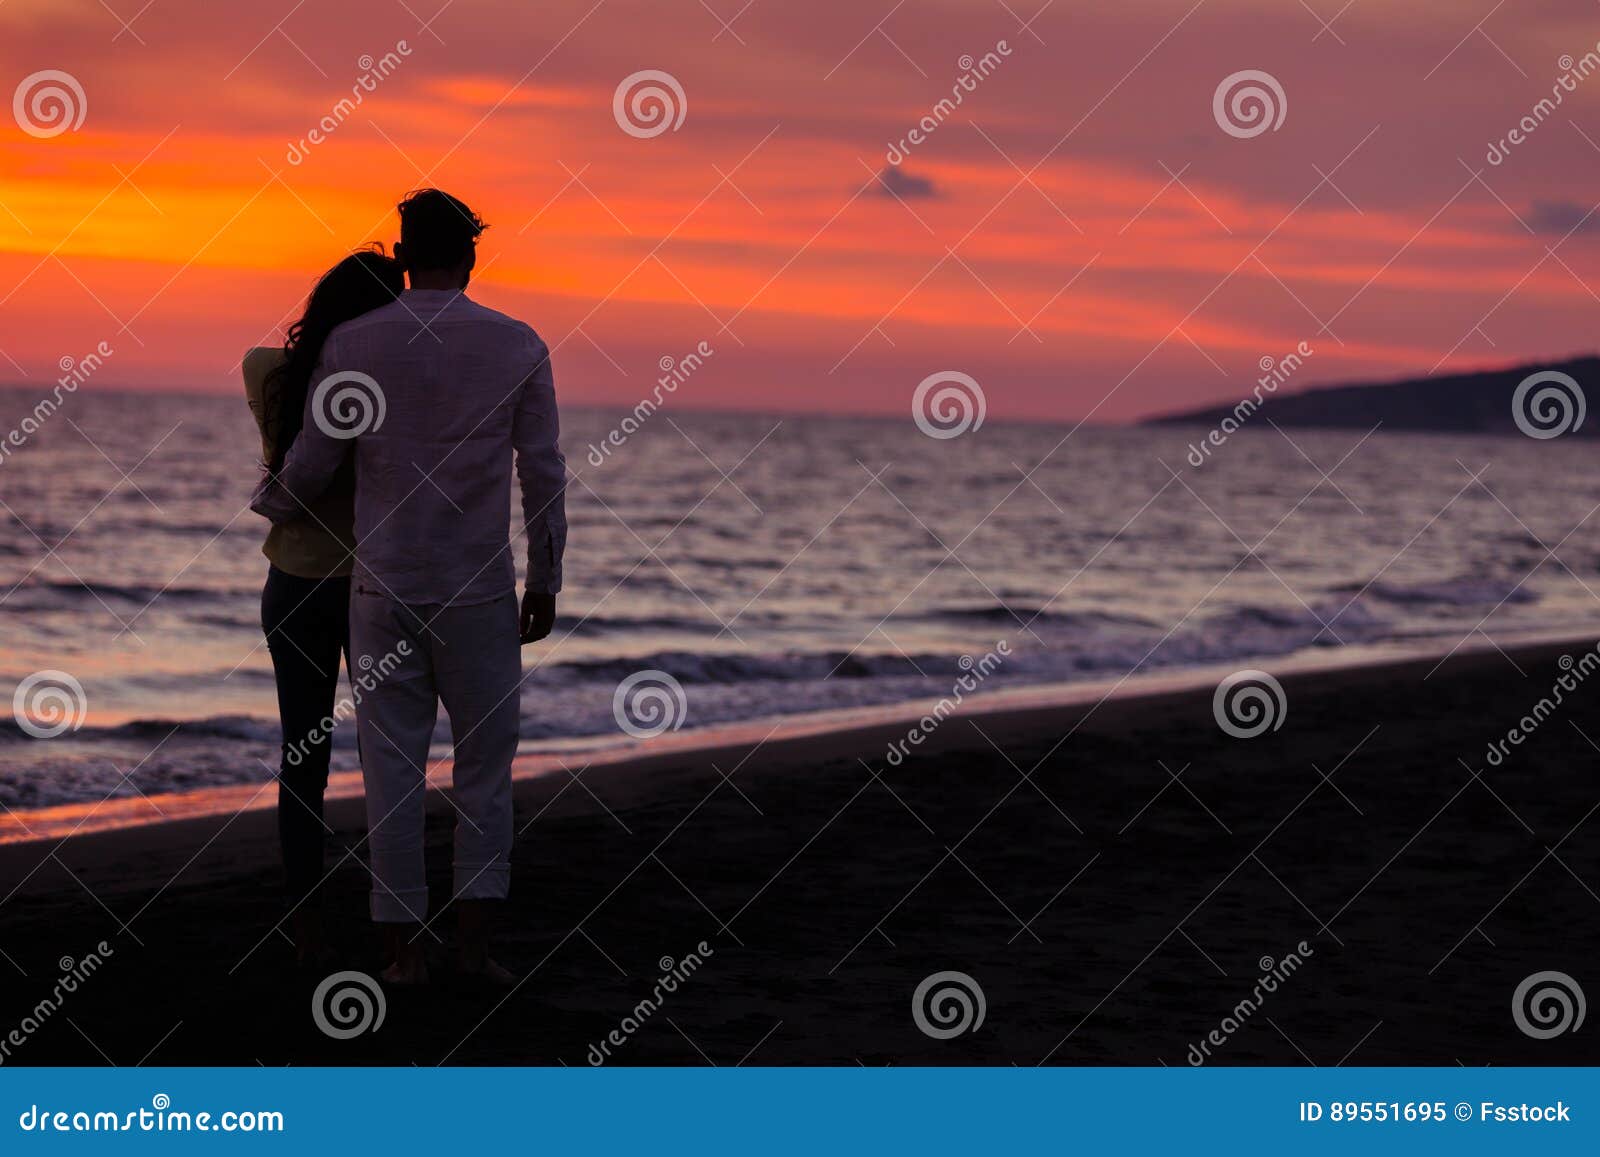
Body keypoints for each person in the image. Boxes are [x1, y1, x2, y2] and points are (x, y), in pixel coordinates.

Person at [251, 189, 567, 985]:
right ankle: (474, 949)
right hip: (480, 592)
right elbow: (543, 470)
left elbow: (318, 456)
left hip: (382, 590)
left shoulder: (355, 343)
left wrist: (273, 503)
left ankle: (402, 957)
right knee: (485, 773)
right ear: (471, 256)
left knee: (390, 770)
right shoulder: (519, 344)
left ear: (399, 253)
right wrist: (547, 578)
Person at [244, 248, 403, 966]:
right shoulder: (393, 384)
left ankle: (306, 927)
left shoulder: (270, 373)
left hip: (296, 582)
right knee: (388, 757)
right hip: (374, 584)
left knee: (302, 757)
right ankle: (397, 922)